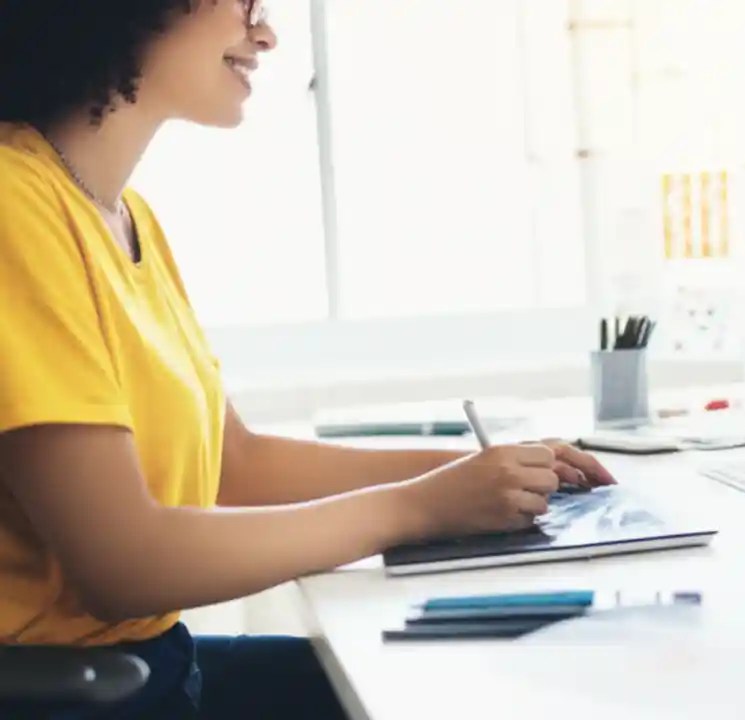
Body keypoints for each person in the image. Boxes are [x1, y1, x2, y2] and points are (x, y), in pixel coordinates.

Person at [0, 2, 616, 717]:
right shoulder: (16, 206)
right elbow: (126, 563)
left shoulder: (122, 214)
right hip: (78, 697)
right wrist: (421, 507)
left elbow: (235, 463)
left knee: (453, 681)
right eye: (244, 5)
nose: (264, 34)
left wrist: (483, 474)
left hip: (152, 664)